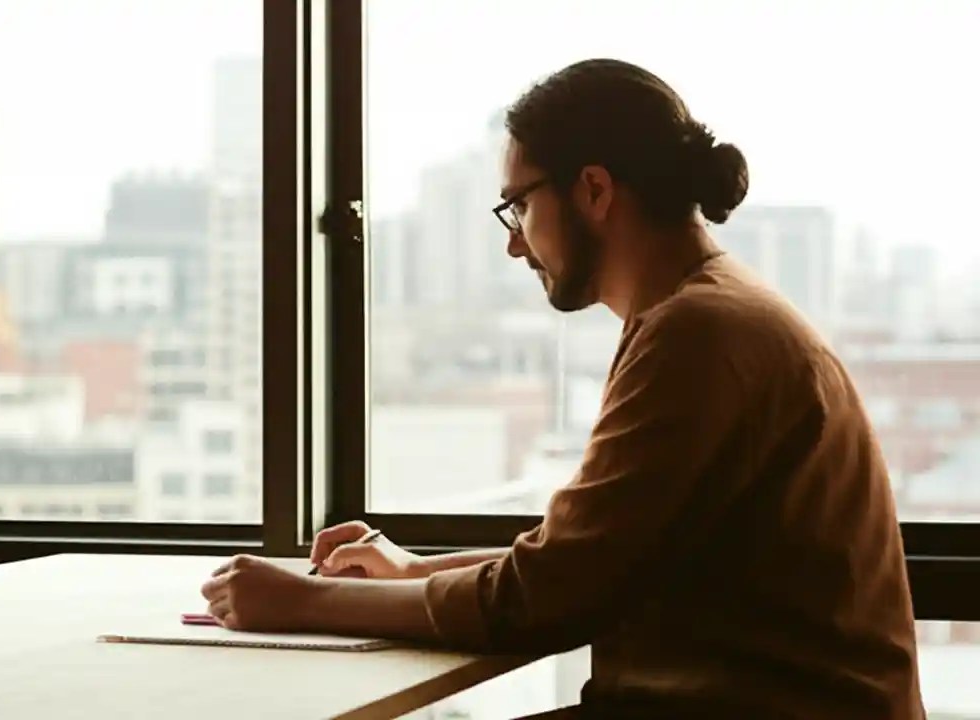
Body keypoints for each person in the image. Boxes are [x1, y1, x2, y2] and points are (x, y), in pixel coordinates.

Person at [200, 58, 924, 719]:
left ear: (595, 190)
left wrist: (304, 601)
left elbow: (547, 597)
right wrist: (412, 572)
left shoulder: (697, 332)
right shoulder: (710, 311)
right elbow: (586, 561)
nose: (514, 241)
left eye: (517, 204)